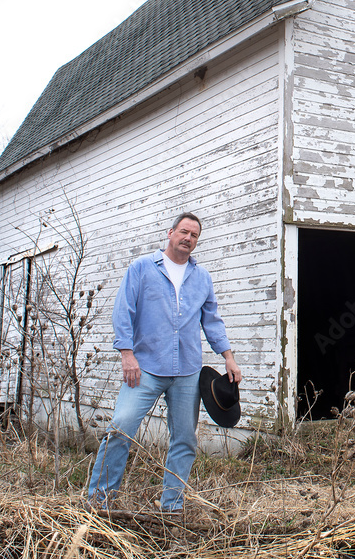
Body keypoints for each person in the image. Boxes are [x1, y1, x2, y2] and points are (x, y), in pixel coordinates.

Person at [86, 212, 241, 512]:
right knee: (120, 427)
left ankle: (172, 507)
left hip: (187, 372)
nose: (188, 238)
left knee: (185, 439)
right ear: (170, 233)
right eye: (184, 232)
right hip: (144, 368)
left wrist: (229, 358)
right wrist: (126, 354)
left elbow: (213, 322)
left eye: (194, 235)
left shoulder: (202, 278)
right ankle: (99, 503)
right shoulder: (142, 268)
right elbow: (123, 312)